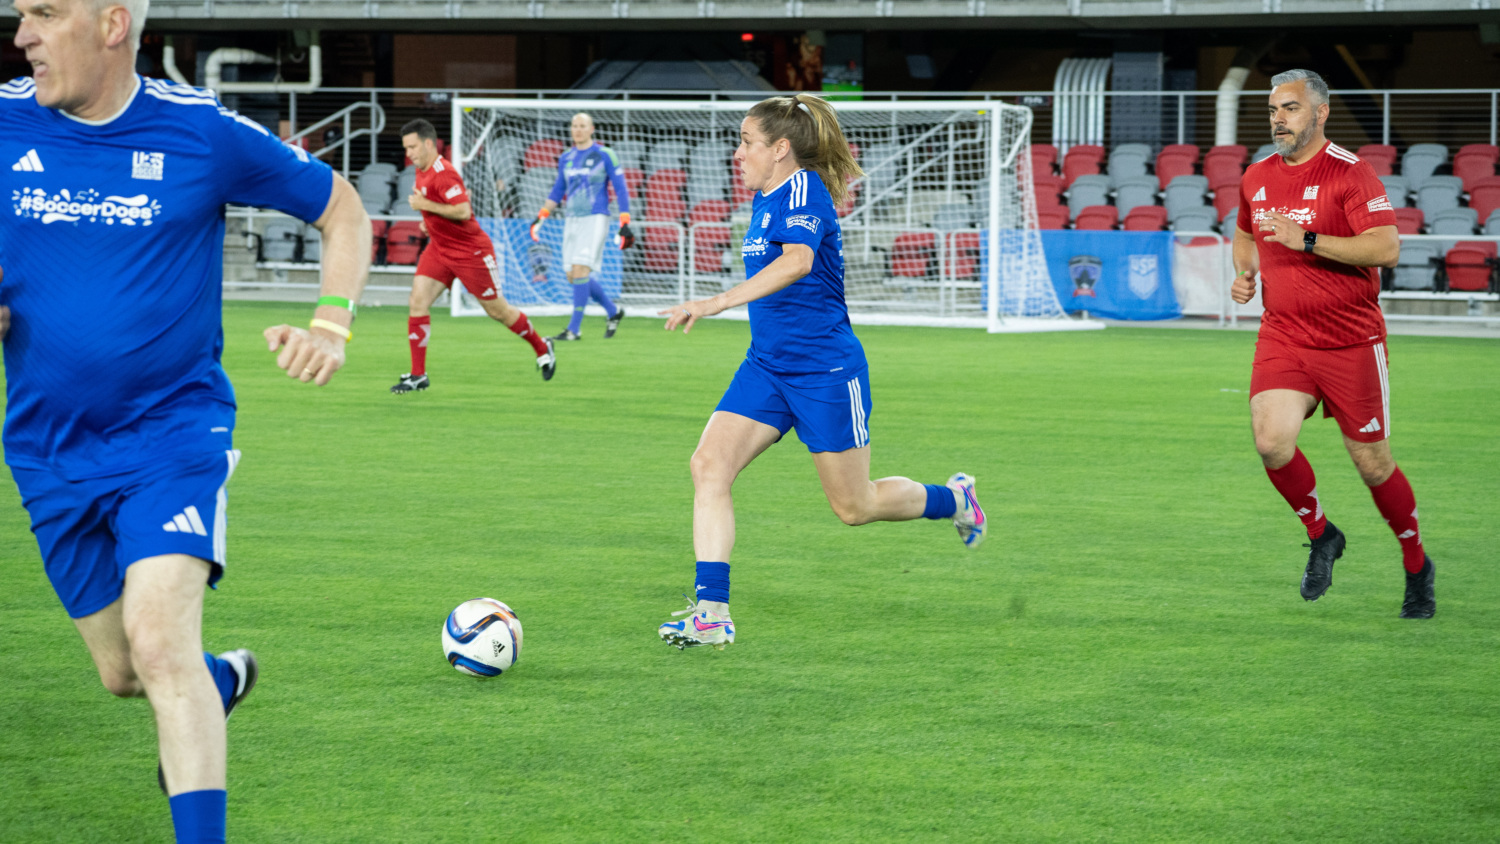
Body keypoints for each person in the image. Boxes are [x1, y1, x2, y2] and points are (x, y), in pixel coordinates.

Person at [1, 0, 370, 841]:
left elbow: (343, 208)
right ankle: (216, 683)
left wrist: (332, 323)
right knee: (125, 671)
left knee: (159, 642)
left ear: (112, 25)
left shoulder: (201, 132)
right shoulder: (5, 122)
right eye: (20, 14)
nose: (22, 35)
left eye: (45, 13)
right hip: (47, 448)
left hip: (172, 435)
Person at [654, 94, 986, 651]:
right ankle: (712, 613)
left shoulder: (804, 188)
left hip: (825, 372)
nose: (737, 153)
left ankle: (955, 500)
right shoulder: (765, 197)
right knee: (708, 466)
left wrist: (716, 302)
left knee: (855, 508)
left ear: (780, 148)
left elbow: (799, 261)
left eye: (747, 142)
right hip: (767, 367)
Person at [1232, 69, 1433, 618]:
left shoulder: (1351, 172)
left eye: (1290, 108)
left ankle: (1416, 565)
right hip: (1284, 334)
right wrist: (1245, 273)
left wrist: (1307, 239)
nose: (1278, 119)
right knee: (1271, 442)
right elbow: (1245, 233)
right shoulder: (1256, 176)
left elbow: (1386, 248)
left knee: (1372, 465)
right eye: (1273, 109)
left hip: (1351, 342)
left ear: (1321, 113)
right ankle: (1322, 534)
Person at [392, 118, 555, 393]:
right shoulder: (422, 170)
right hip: (440, 249)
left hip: (471, 253)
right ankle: (418, 375)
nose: (408, 153)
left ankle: (542, 347)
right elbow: (438, 208)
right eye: (406, 148)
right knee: (417, 302)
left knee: (498, 311)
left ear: (429, 144)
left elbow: (463, 211)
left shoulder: (444, 173)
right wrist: (428, 221)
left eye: (412, 147)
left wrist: (425, 205)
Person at [529, 112, 632, 342]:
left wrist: (625, 221)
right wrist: (541, 216)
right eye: (574, 126)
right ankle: (613, 311)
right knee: (572, 276)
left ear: (592, 129)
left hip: (595, 218)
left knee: (581, 270)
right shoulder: (566, 157)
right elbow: (558, 189)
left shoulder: (605, 154)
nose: (578, 129)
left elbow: (620, 188)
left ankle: (573, 330)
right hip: (572, 219)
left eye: (582, 126)